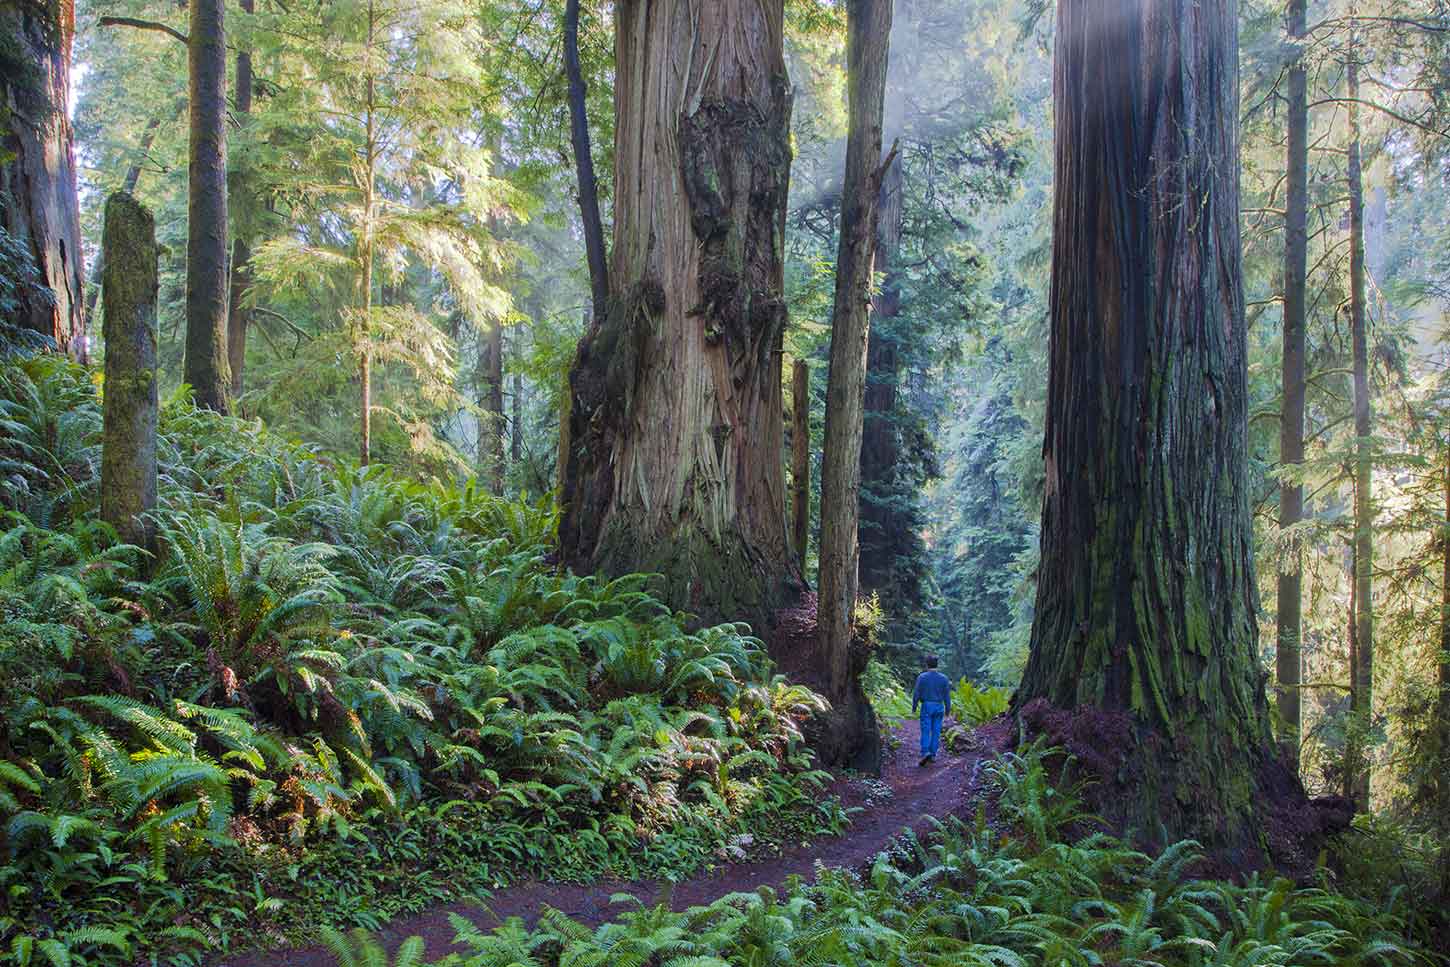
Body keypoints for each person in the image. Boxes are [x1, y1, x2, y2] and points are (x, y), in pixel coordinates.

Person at [911, 655, 951, 766]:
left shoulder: (922, 677)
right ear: (937, 664)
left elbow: (916, 693)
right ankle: (933, 754)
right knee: (936, 731)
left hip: (927, 705)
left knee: (926, 729)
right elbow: (947, 696)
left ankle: (925, 752)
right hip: (939, 706)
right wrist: (948, 709)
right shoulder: (944, 678)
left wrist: (914, 707)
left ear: (927, 664)